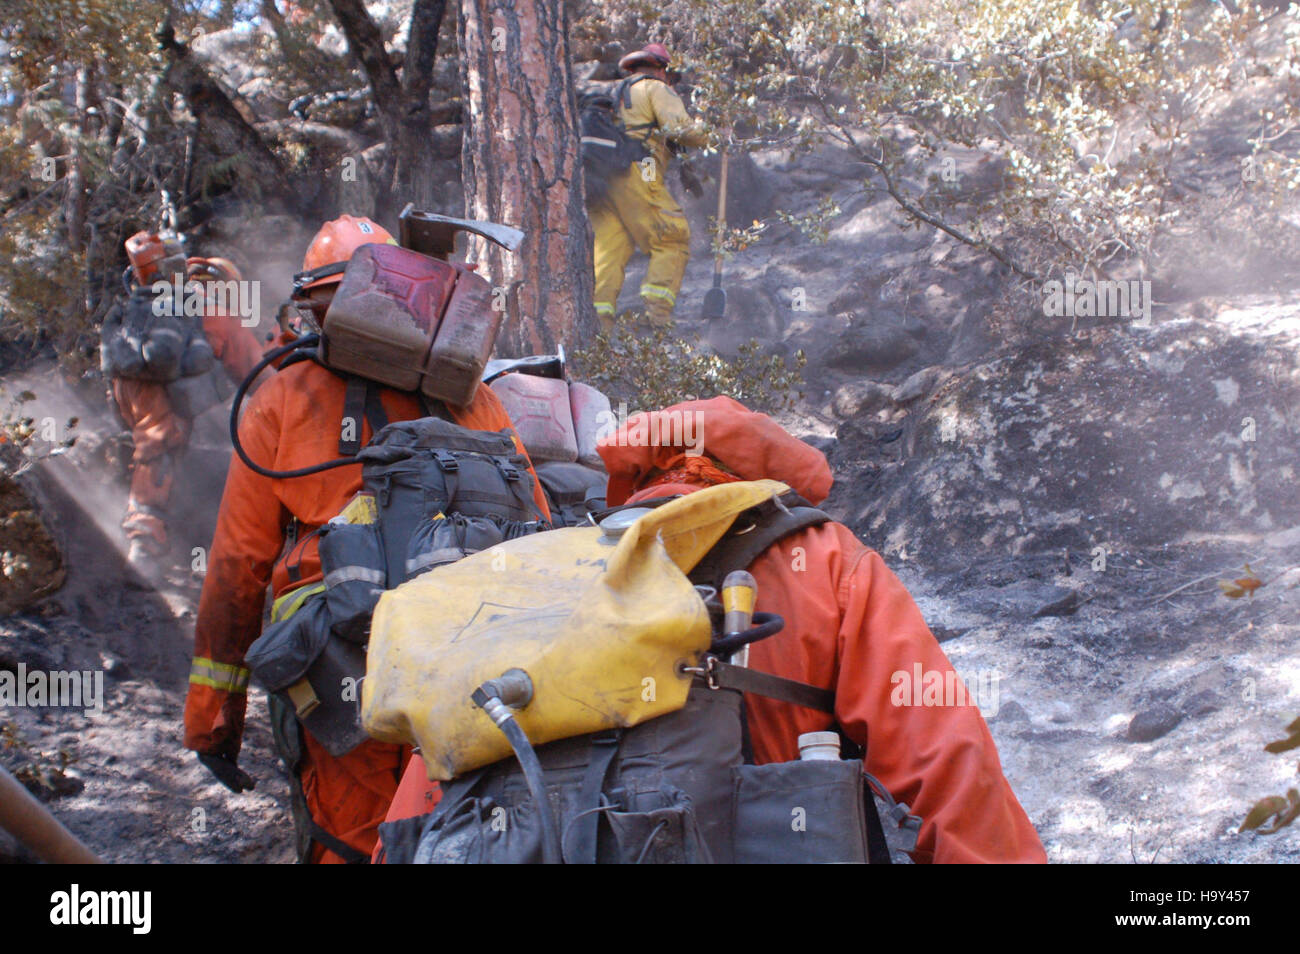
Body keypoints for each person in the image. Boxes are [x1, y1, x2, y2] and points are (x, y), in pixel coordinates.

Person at [381, 396, 1046, 864]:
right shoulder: (824, 559)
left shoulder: (543, 576)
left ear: (637, 476)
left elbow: (436, 779)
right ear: (765, 478)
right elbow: (948, 764)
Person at [182, 214, 550, 863]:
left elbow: (239, 565)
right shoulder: (470, 397)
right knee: (466, 825)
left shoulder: (281, 398)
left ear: (318, 302)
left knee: (352, 840)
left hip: (339, 662)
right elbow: (533, 515)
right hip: (469, 647)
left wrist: (213, 720)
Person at [105, 238, 266, 577]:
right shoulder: (213, 312)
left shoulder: (149, 306)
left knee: (150, 441)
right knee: (162, 444)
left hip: (125, 388)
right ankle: (144, 543)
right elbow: (257, 373)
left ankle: (140, 501)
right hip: (158, 397)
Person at [591, 42, 709, 331]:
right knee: (672, 237)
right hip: (639, 170)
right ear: (661, 69)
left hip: (601, 179)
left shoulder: (613, 96)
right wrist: (713, 134)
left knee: (611, 248)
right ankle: (656, 319)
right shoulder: (655, 88)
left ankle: (598, 328)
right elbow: (679, 129)